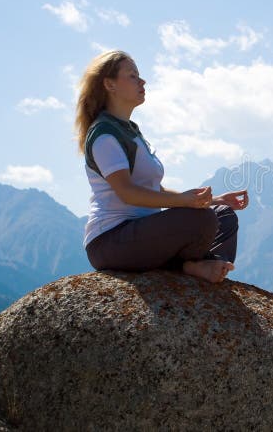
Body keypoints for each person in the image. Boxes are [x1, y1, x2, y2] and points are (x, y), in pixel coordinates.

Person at [75, 50, 248, 283]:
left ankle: (209, 264)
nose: (142, 81)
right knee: (202, 220)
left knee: (222, 215)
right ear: (110, 84)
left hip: (143, 233)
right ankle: (191, 265)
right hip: (111, 241)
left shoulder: (130, 130)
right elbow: (127, 192)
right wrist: (186, 202)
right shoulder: (104, 134)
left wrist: (212, 200)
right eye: (133, 76)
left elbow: (155, 189)